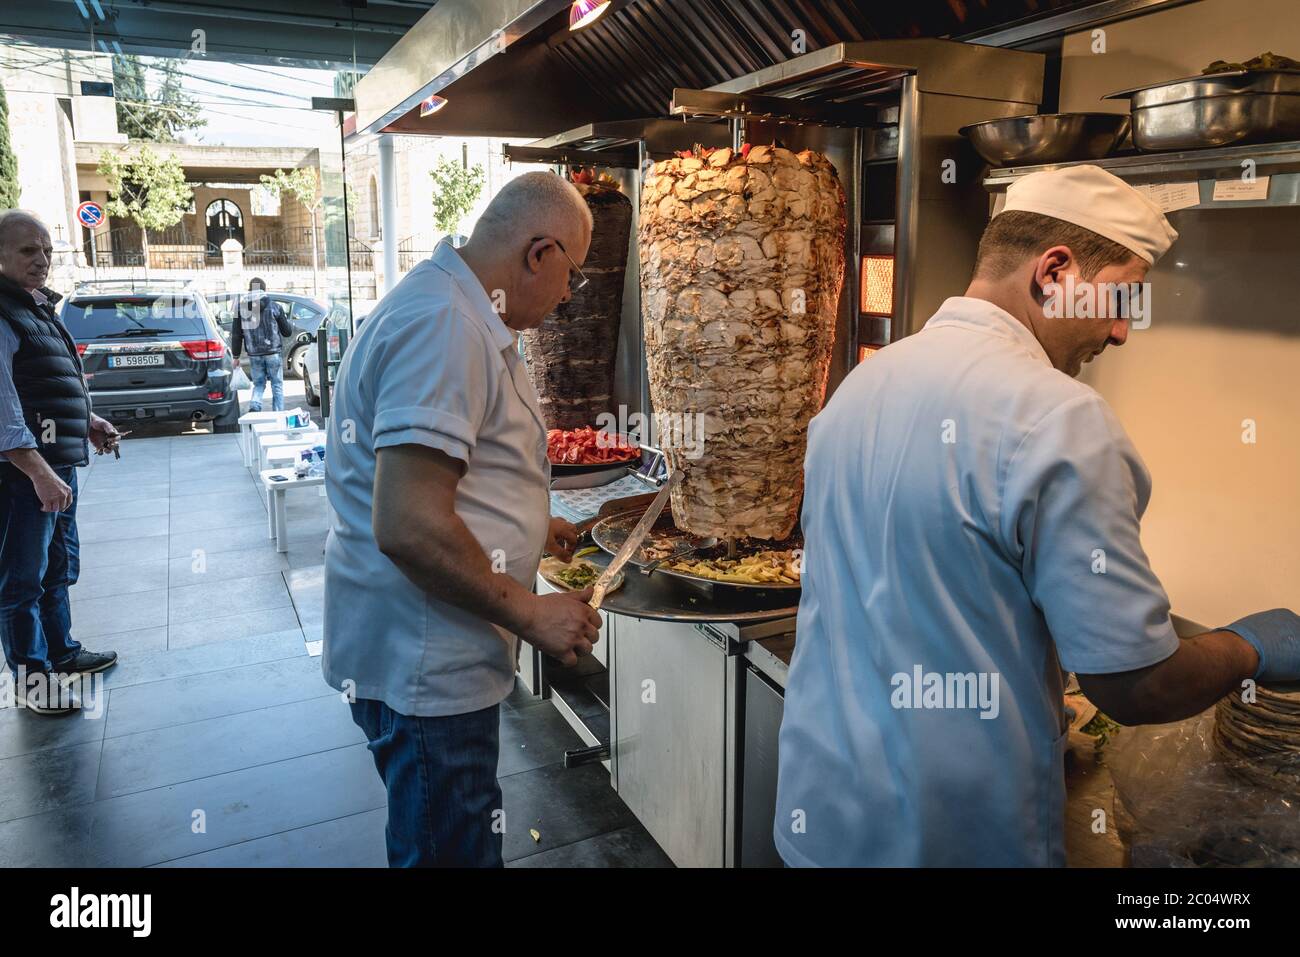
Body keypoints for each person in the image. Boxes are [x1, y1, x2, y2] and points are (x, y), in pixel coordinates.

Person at [775, 165, 1300, 867]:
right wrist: (1252, 646)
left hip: (825, 813)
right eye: (1124, 296)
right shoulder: (1059, 419)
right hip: (952, 838)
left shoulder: (860, 387)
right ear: (1055, 271)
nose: (1120, 331)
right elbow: (1135, 682)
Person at [322, 172, 602, 867]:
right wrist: (531, 615)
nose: (570, 295)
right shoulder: (444, 324)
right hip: (428, 664)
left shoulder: (458, 308)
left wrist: (528, 524)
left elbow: (452, 475)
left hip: (424, 650)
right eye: (574, 274)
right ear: (540, 252)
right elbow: (409, 523)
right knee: (451, 852)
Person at [0, 210, 121, 715]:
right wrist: (38, 470)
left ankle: (61, 654)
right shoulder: (3, 313)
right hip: (23, 473)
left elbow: (46, 384)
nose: (42, 261)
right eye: (29, 251)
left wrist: (86, 422)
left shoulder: (32, 307)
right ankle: (33, 681)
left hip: (53, 463)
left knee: (54, 566)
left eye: (46, 250)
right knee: (20, 578)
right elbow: (3, 407)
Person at [231, 276, 293, 412]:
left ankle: (255, 404)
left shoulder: (241, 309)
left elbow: (236, 335)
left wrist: (235, 356)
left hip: (254, 354)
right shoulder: (275, 307)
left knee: (258, 384)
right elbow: (287, 332)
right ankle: (278, 412)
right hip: (273, 352)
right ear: (264, 290)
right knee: (277, 384)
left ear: (249, 290)